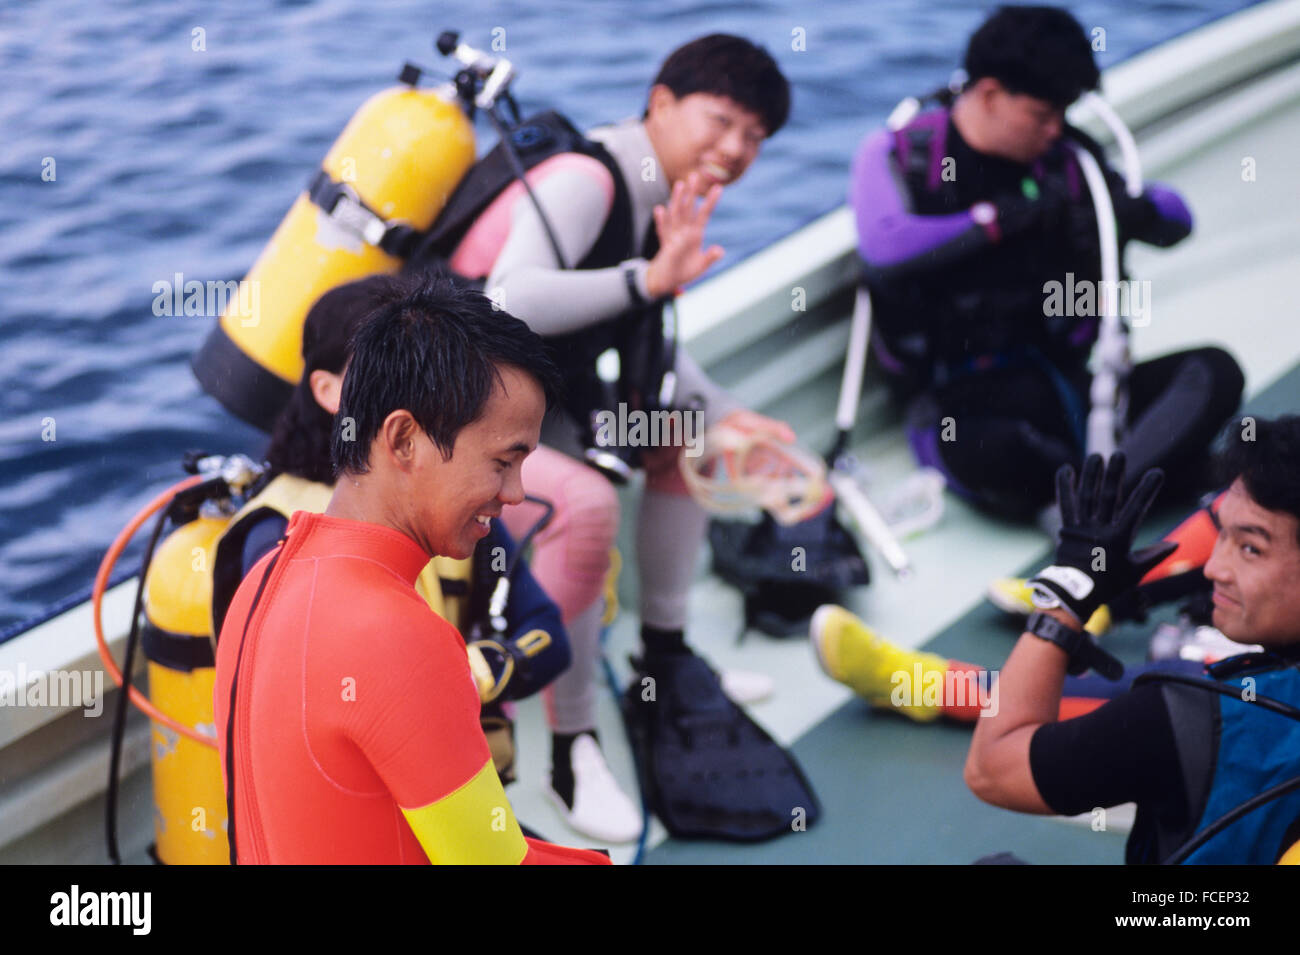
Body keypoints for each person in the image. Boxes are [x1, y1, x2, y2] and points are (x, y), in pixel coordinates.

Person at [409, 34, 817, 842]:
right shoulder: (588, 181)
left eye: (756, 138)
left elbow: (648, 340)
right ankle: (572, 745)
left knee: (688, 439)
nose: (736, 150)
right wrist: (647, 278)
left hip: (516, 404)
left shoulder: (654, 191)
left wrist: (725, 410)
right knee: (584, 506)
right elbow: (509, 300)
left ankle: (663, 656)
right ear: (660, 102)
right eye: (722, 120)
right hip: (441, 418)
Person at [213, 276, 609, 864]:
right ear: (402, 440)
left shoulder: (263, 578)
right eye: (503, 462)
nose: (518, 493)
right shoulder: (397, 637)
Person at [850, 5, 1243, 522]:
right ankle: (1140, 489)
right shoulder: (903, 155)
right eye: (1042, 115)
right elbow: (885, 244)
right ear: (990, 94)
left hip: (1073, 390)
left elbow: (1178, 219)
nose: (1056, 130)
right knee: (1007, 456)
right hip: (961, 410)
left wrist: (1135, 208)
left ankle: (1094, 509)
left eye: (1064, 114)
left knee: (1214, 371)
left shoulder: (1067, 160)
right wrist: (992, 223)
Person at [964, 415, 1300, 864]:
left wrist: (1064, 603)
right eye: (1222, 534)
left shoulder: (1183, 721)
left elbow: (992, 768)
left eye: (1251, 548)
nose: (1215, 568)